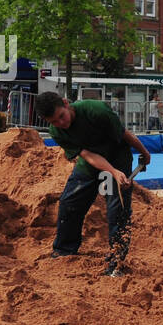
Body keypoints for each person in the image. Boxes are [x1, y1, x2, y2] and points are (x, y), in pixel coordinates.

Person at [39, 91, 151, 277]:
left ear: (66, 104)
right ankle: (64, 251)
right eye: (54, 121)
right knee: (69, 203)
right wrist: (110, 172)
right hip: (91, 163)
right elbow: (88, 156)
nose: (61, 123)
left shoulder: (96, 111)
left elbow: (124, 134)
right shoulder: (56, 132)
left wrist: (144, 153)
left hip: (117, 158)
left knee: (118, 208)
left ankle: (116, 261)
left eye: (61, 116)